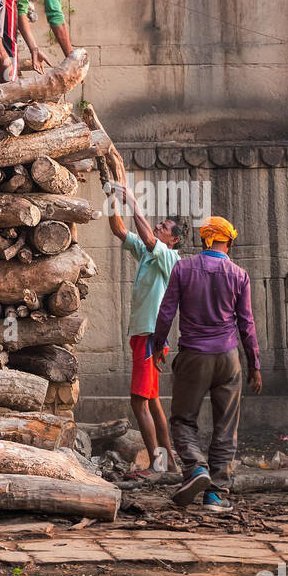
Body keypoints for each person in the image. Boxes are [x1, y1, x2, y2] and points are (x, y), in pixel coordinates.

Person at [152, 215, 262, 513]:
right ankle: (215, 495)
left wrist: (158, 344)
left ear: (204, 240)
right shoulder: (239, 274)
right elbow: (247, 324)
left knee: (183, 420)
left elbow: (166, 312)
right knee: (226, 427)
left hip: (193, 356)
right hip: (229, 359)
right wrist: (255, 364)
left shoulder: (183, 267)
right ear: (229, 242)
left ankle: (196, 468)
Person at [105, 181, 180, 473]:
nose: (158, 228)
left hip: (149, 335)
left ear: (172, 240)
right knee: (153, 400)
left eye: (164, 227)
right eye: (159, 224)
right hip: (145, 334)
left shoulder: (169, 257)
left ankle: (157, 464)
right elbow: (119, 230)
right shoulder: (150, 254)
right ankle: (169, 462)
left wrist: (133, 202)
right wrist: (113, 199)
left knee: (139, 402)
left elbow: (148, 238)